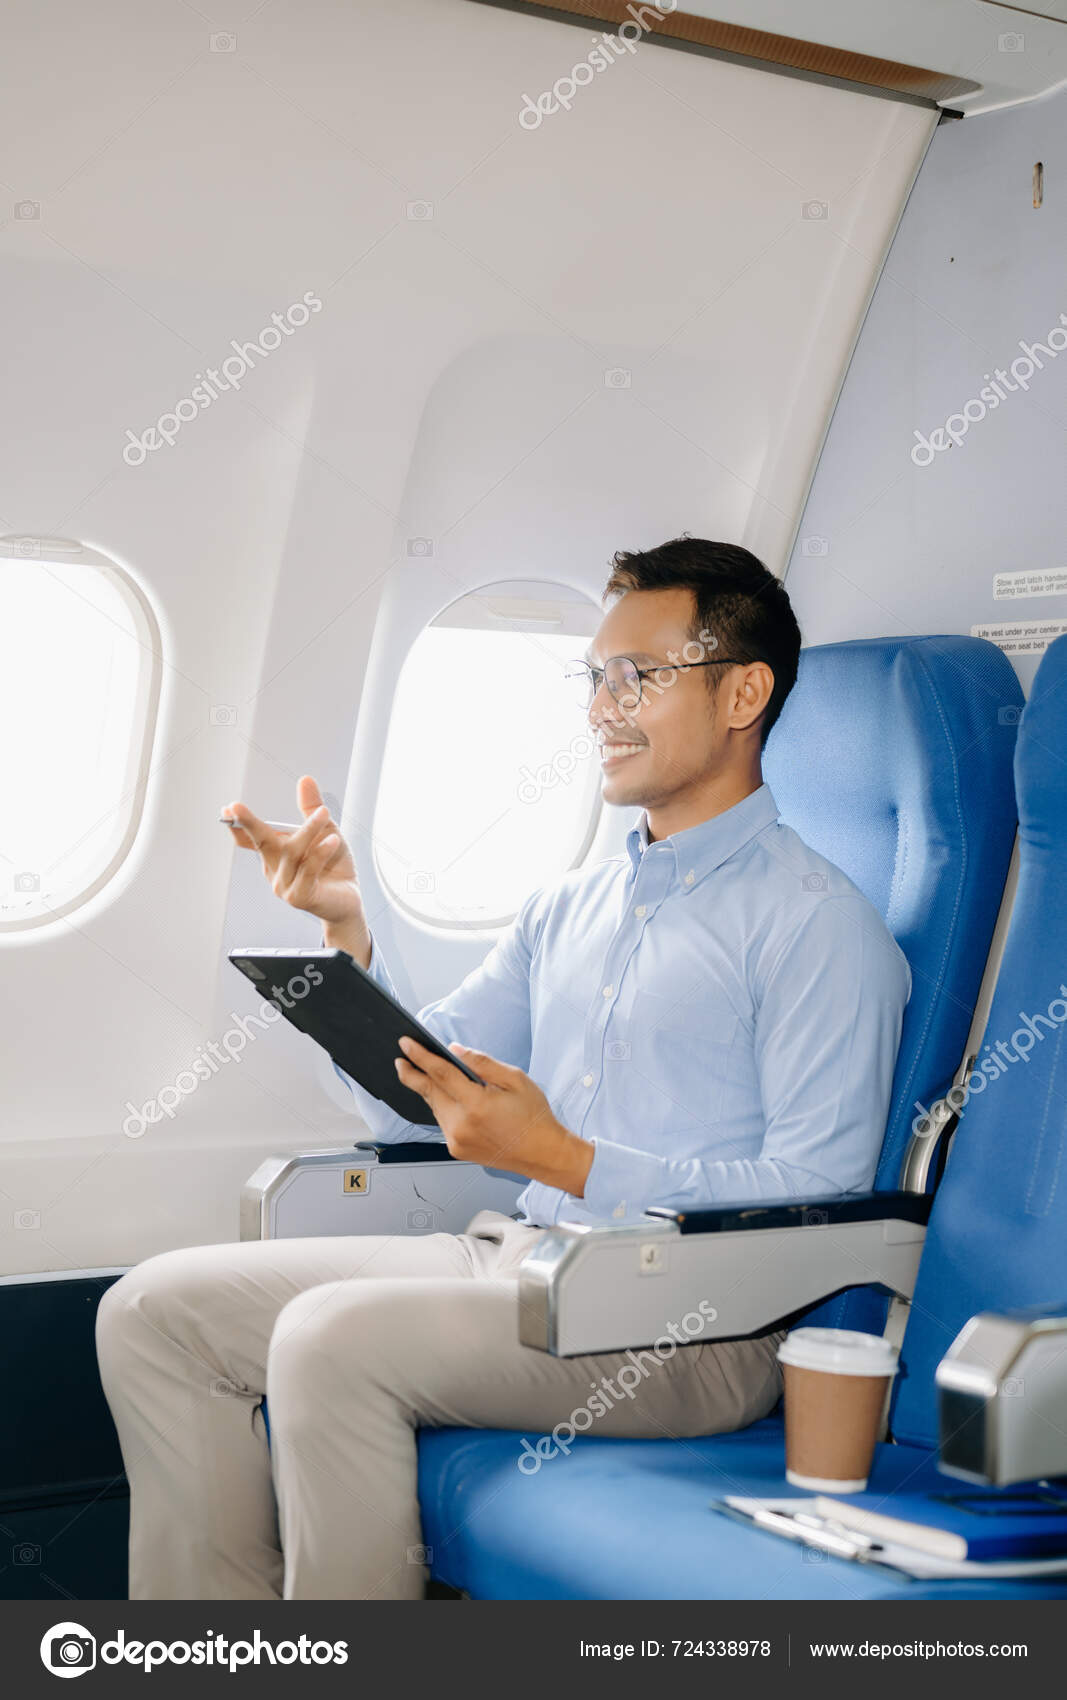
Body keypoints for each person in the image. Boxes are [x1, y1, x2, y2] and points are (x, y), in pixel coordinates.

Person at [95, 537, 910, 1600]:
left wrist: (569, 1158)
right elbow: (416, 1094)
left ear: (742, 691)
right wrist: (348, 940)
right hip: (524, 1263)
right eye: (594, 677)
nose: (601, 707)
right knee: (153, 1313)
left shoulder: (817, 927)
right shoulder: (565, 904)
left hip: (694, 1321)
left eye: (639, 676)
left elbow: (819, 1194)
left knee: (332, 1339)